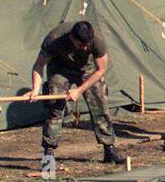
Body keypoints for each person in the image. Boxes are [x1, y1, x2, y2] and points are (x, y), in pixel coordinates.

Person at [30, 20, 122, 166]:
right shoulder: (54, 39)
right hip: (60, 69)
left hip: (88, 70)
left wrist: (79, 90)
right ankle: (49, 154)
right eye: (81, 44)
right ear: (72, 38)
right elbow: (39, 65)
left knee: (99, 105)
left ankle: (109, 149)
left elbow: (101, 70)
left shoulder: (97, 40)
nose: (85, 47)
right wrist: (35, 89)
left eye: (87, 44)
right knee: (55, 109)